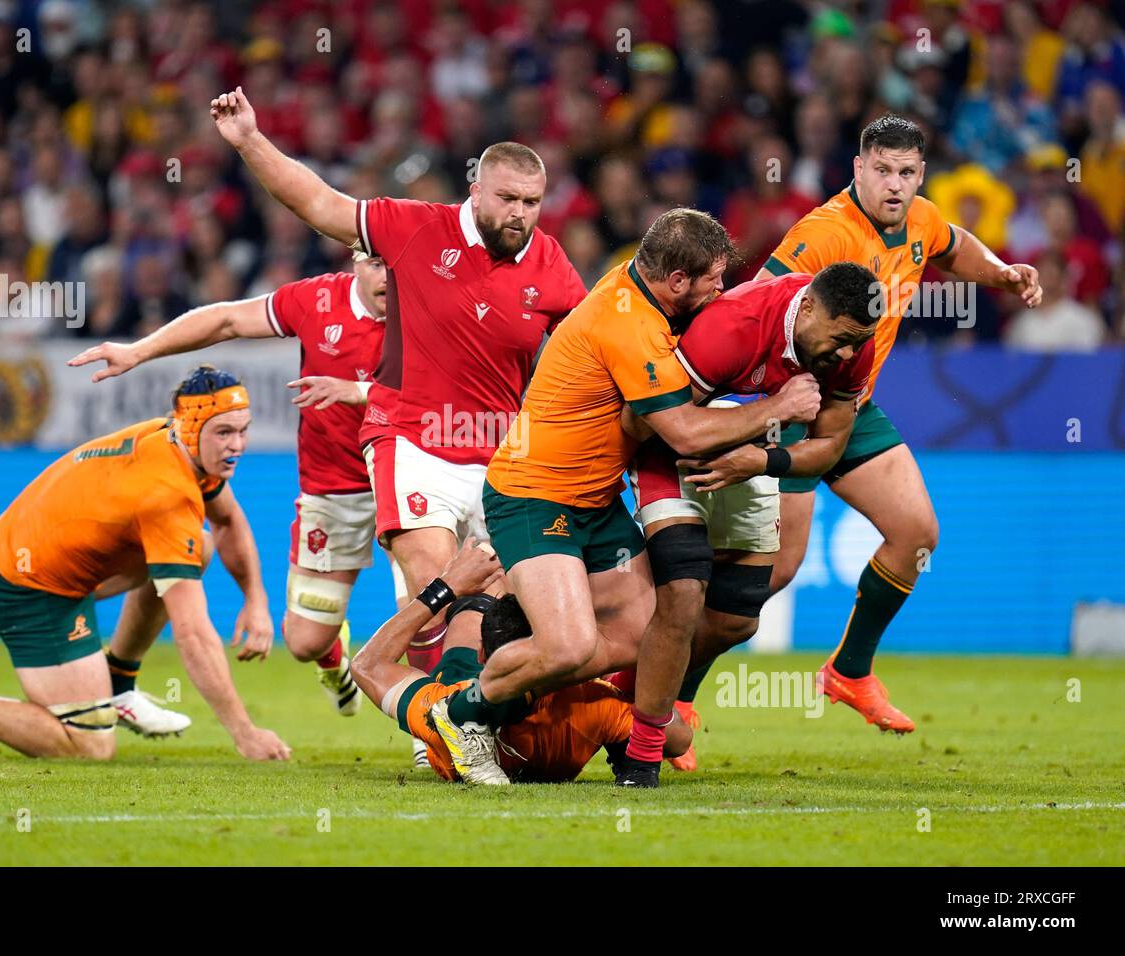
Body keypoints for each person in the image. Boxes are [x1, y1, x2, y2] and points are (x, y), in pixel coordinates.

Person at [207, 87, 587, 692]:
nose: (520, 213)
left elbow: (588, 351)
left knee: (491, 605)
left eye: (533, 202)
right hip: (413, 442)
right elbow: (317, 202)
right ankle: (437, 733)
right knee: (438, 588)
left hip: (499, 455)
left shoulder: (550, 263)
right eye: (509, 199)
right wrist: (251, 140)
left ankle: (450, 717)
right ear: (477, 191)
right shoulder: (412, 228)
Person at [428, 208, 819, 784]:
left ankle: (597, 726)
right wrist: (777, 409)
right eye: (714, 278)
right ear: (678, 281)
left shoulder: (643, 295)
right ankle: (458, 712)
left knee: (643, 636)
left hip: (595, 500)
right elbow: (682, 432)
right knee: (568, 647)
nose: (723, 290)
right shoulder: (628, 324)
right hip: (535, 499)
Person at [759, 115, 1042, 732]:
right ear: (857, 169)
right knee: (774, 571)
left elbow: (953, 243)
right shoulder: (825, 234)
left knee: (915, 533)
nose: (894, 184)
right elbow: (757, 301)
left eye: (907, 172)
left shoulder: (918, 219)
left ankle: (849, 671)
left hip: (851, 408)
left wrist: (1000, 273)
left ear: (920, 175)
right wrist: (773, 402)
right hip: (794, 410)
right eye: (881, 170)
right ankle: (671, 698)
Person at [0, 366, 291, 763]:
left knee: (194, 548)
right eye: (224, 432)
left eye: (242, 430)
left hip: (49, 554)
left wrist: (255, 600)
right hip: (27, 586)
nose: (237, 444)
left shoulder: (179, 443)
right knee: (88, 744)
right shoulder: (167, 494)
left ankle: (118, 687)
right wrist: (244, 732)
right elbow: (193, 635)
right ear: (193, 428)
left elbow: (228, 520)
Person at [70, 254, 390, 721]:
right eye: (375, 262)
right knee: (303, 641)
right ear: (354, 260)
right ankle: (333, 655)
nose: (388, 275)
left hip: (410, 471)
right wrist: (139, 350)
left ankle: (433, 732)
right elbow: (224, 319)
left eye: (394, 262)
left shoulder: (429, 298)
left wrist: (358, 393)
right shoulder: (317, 300)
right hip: (335, 485)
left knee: (427, 602)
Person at [620, 262, 880, 786]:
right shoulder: (733, 324)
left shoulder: (855, 345)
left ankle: (622, 692)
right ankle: (640, 753)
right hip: (667, 455)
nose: (849, 355)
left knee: (738, 618)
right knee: (683, 590)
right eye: (842, 339)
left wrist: (760, 462)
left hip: (750, 456)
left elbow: (828, 446)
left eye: (859, 343)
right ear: (807, 307)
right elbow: (656, 422)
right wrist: (774, 411)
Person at [349, 541, 692, 783]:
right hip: (559, 694)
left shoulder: (441, 712)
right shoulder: (590, 706)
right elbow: (678, 737)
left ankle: (485, 569)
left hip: (466, 682)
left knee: (485, 586)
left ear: (484, 656)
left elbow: (366, 664)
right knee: (505, 576)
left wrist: (445, 587)